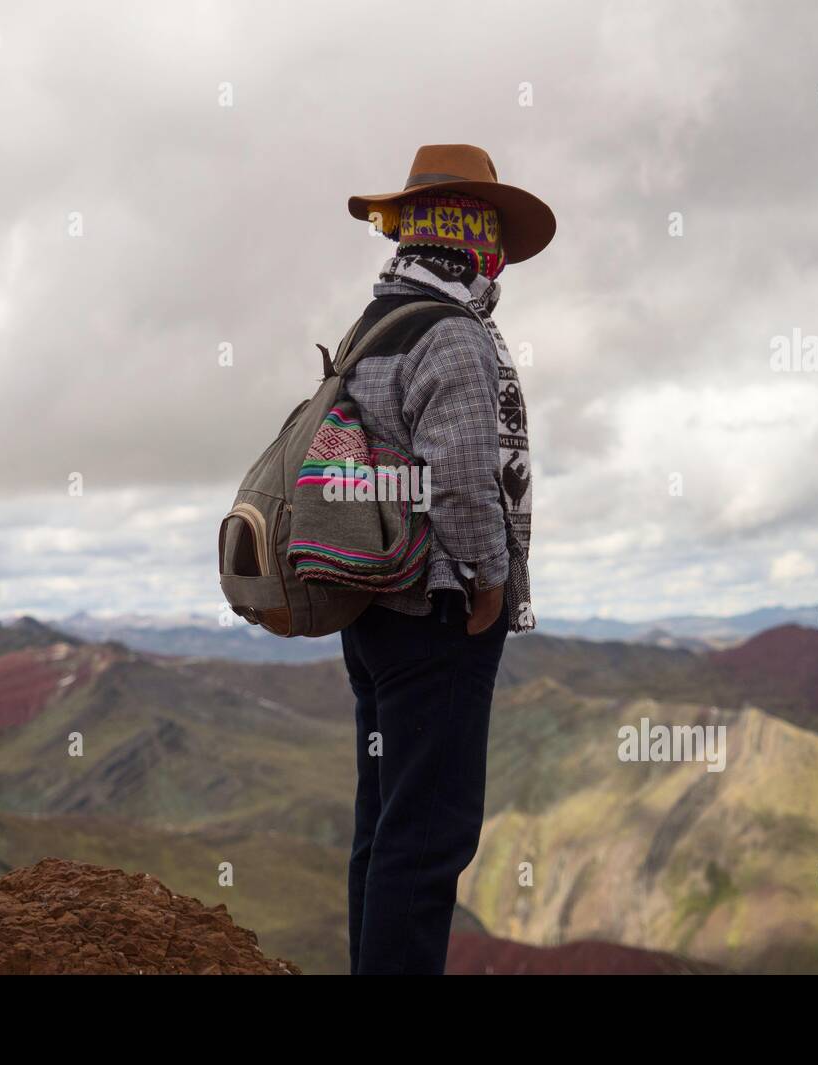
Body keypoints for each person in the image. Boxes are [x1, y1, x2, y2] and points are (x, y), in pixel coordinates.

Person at [339, 144, 556, 974]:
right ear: (471, 232)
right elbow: (463, 480)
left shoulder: (373, 326)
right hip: (438, 612)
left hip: (372, 607)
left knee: (385, 822)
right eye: (491, 228)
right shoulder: (456, 333)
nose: (497, 249)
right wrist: (490, 585)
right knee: (430, 834)